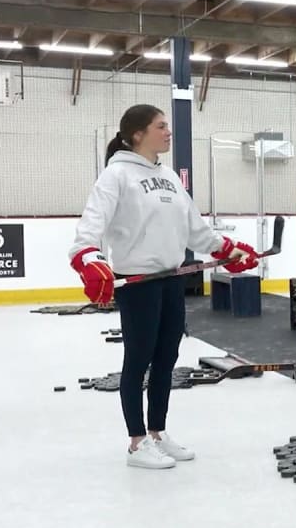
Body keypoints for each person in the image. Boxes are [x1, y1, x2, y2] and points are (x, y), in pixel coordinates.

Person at [69, 103, 259, 470]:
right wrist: (88, 257)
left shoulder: (170, 176)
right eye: (161, 126)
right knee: (137, 361)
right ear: (138, 134)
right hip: (138, 284)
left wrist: (227, 249)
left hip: (171, 279)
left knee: (166, 359)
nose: (168, 132)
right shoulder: (116, 175)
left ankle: (157, 431)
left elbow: (194, 228)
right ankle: (136, 444)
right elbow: (91, 225)